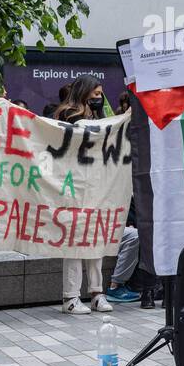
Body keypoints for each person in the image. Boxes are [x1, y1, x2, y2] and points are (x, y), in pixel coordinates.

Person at [56, 75, 114, 315]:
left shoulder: (98, 117)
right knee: (75, 241)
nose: (99, 98)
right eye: (95, 94)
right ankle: (70, 296)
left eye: (101, 94)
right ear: (84, 93)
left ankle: (97, 293)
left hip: (95, 184)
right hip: (73, 185)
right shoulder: (66, 115)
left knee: (95, 239)